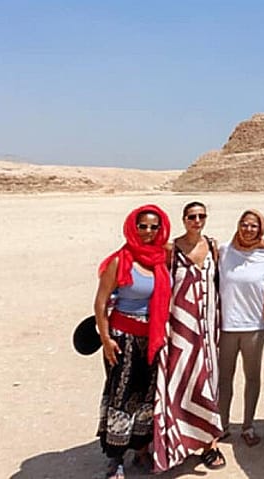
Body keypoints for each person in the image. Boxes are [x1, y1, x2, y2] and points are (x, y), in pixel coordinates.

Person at [94, 204, 172, 479]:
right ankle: (115, 458)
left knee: (148, 394)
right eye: (143, 226)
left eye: (154, 226)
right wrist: (105, 338)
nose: (148, 231)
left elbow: (194, 248)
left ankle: (141, 448)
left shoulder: (161, 258)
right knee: (121, 395)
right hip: (123, 338)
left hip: (151, 338)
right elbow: (101, 303)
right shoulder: (120, 260)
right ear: (132, 226)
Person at [153, 201, 226, 471]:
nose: (197, 220)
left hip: (207, 324)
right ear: (184, 219)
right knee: (182, 378)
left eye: (202, 216)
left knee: (208, 376)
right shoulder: (171, 250)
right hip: (181, 323)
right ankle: (180, 438)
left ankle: (210, 441)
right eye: (192, 216)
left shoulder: (213, 246)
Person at [217, 209, 264, 447]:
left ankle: (248, 425)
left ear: (261, 229)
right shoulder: (224, 251)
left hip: (254, 326)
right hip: (227, 326)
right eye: (245, 224)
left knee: (252, 377)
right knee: (225, 378)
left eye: (254, 226)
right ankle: (222, 425)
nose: (248, 229)